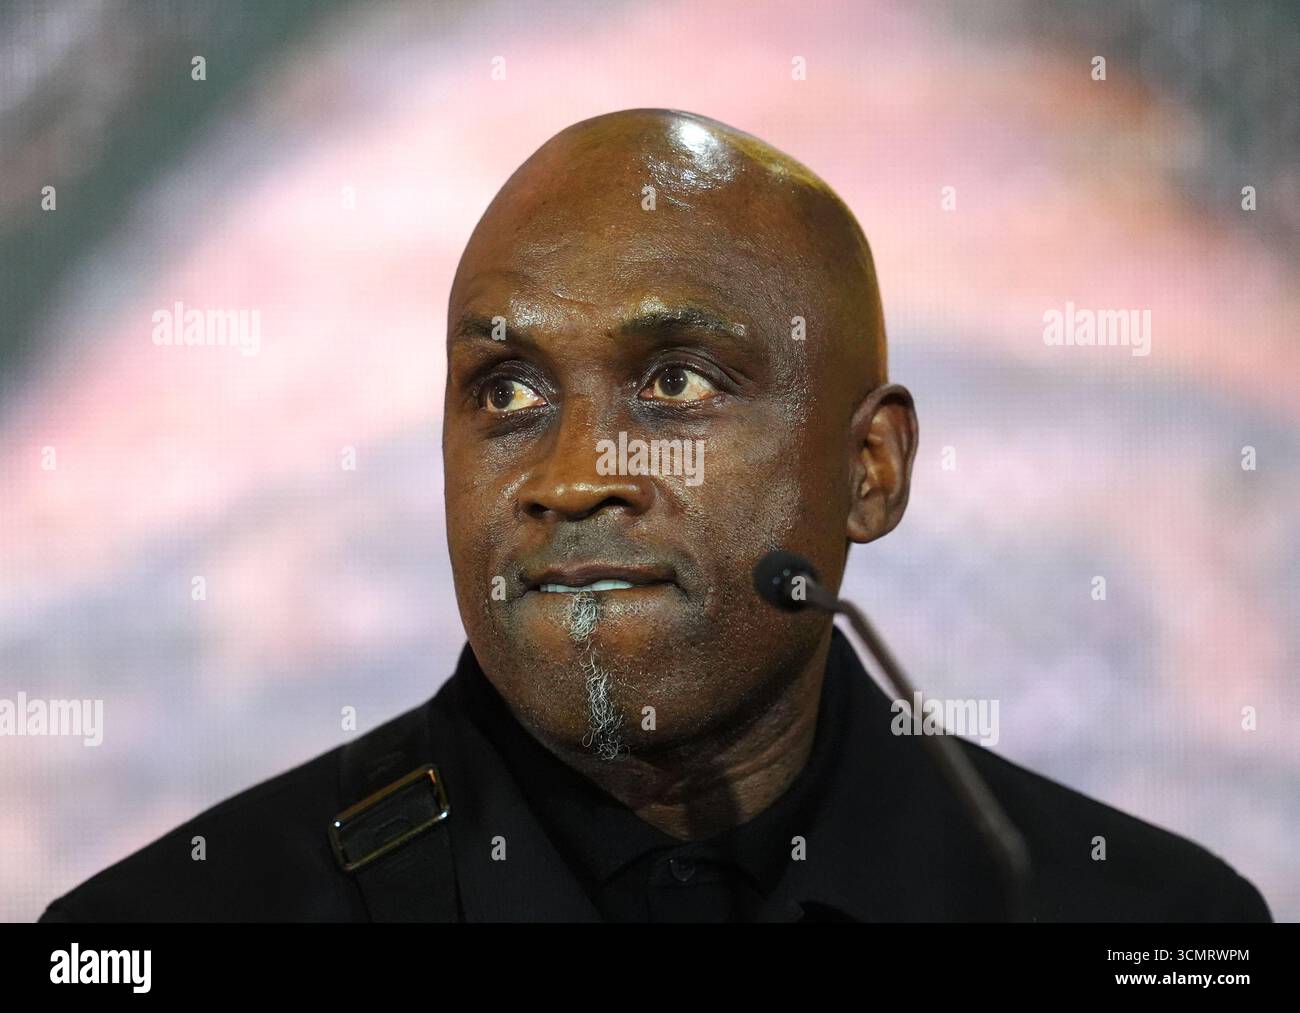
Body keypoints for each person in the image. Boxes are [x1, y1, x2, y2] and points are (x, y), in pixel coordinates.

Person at [39, 109, 1270, 922]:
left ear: (872, 470)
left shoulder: (1143, 918)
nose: (574, 475)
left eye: (676, 381)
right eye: (508, 392)